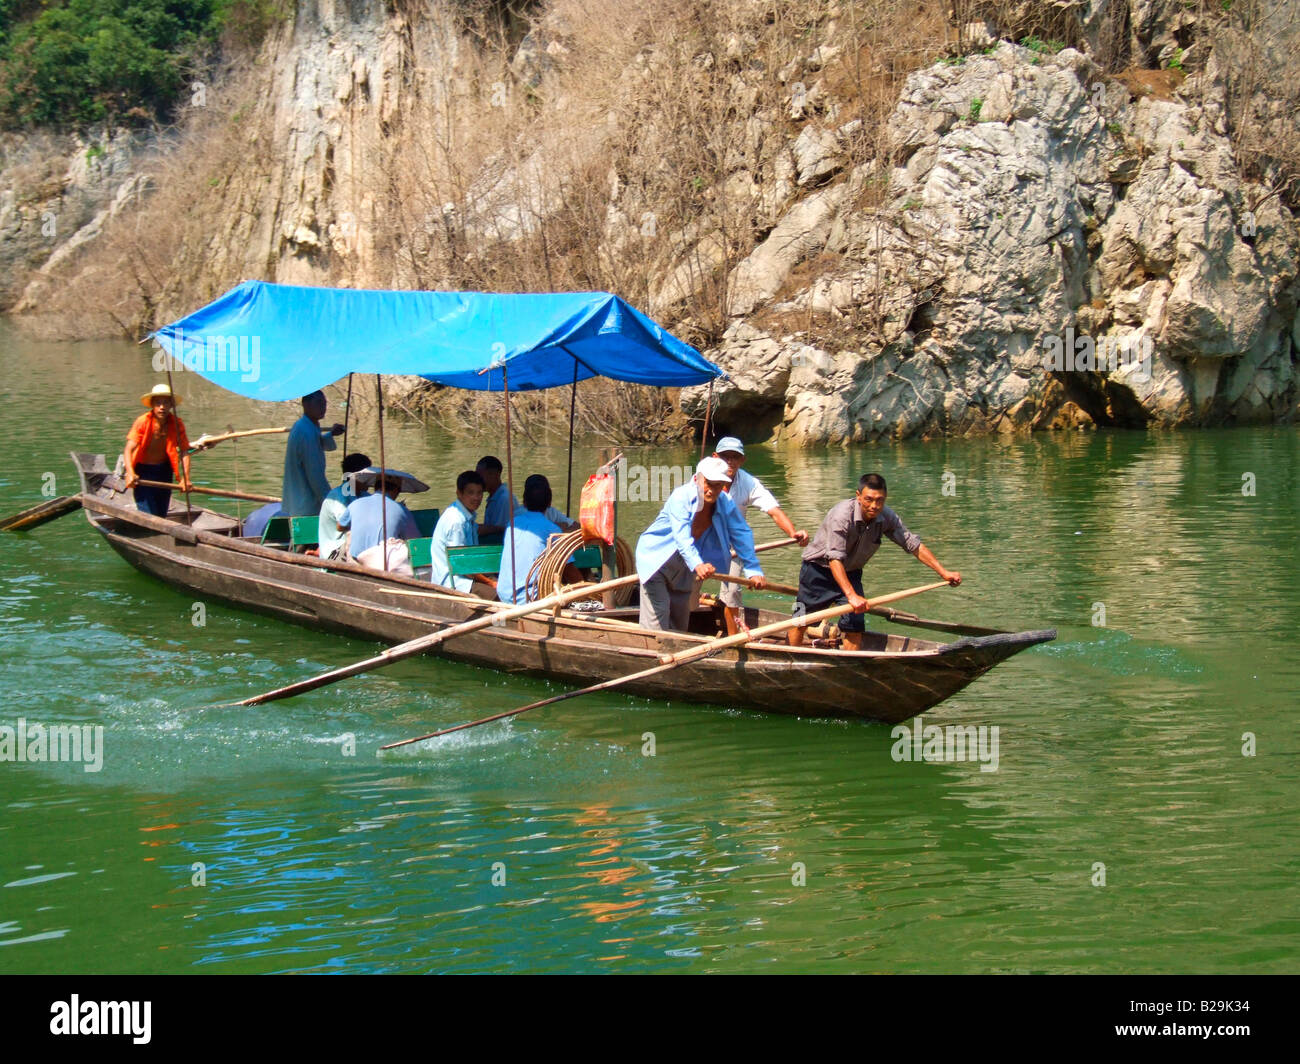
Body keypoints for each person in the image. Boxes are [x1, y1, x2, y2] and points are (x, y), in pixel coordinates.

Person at [789, 473, 961, 650]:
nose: (874, 506)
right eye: (869, 499)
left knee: (854, 625)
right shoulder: (841, 516)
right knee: (800, 619)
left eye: (880, 500)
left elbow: (912, 544)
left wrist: (943, 572)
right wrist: (851, 596)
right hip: (818, 571)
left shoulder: (886, 517)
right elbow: (834, 558)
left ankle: (848, 667)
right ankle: (790, 658)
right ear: (858, 496)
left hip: (852, 573)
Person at [635, 456, 765, 632]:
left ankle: (676, 654)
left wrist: (753, 570)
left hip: (685, 565)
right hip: (657, 559)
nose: (712, 490)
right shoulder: (681, 497)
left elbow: (741, 533)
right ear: (697, 479)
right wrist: (698, 564)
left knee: (680, 621)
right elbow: (681, 536)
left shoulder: (725, 502)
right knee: (658, 620)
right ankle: (652, 654)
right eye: (709, 483)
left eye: (718, 485)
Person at [711, 436, 808, 634]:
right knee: (687, 588)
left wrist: (792, 532)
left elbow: (773, 510)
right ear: (715, 457)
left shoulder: (748, 482)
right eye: (724, 457)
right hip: (700, 539)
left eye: (735, 457)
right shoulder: (704, 479)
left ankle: (733, 639)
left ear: (742, 461)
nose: (730, 461)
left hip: (731, 545)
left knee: (732, 591)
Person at [497, 475, 583, 605]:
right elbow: (570, 571)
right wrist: (588, 591)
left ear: (524, 502)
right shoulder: (552, 531)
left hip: (504, 594)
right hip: (529, 598)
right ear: (549, 503)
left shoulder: (512, 523)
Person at [123, 384, 192, 517]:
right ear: (152, 405)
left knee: (161, 514)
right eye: (158, 403)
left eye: (166, 403)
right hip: (142, 471)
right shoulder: (142, 422)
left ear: (171, 405)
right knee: (149, 515)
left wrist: (186, 479)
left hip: (164, 471)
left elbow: (184, 452)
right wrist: (130, 473)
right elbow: (128, 450)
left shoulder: (177, 424)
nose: (162, 407)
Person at [337, 470, 420, 574]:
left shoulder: (356, 503)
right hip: (381, 563)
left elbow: (339, 526)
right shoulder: (401, 510)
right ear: (396, 490)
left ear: (375, 487)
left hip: (355, 561)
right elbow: (415, 540)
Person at [477, 455, 576, 537]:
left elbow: (500, 530)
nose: (478, 480)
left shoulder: (509, 508)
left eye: (480, 476)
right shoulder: (519, 518)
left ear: (524, 501)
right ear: (549, 502)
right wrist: (560, 527)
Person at [281, 391, 345, 517]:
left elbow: (317, 444)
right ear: (305, 405)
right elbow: (315, 474)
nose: (323, 407)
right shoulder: (306, 431)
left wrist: (331, 434)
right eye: (319, 403)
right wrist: (330, 503)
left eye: (325, 403)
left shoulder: (305, 425)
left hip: (298, 500)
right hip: (306, 504)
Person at [430, 470, 491, 593]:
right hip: (454, 584)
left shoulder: (467, 517)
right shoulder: (456, 521)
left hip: (467, 578)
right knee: (498, 594)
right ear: (459, 494)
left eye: (479, 493)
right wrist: (490, 582)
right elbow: (462, 566)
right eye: (471, 493)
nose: (476, 498)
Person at [318, 453, 373, 561]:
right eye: (367, 475)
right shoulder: (338, 496)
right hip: (335, 553)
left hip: (355, 546)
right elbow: (347, 524)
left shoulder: (364, 495)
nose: (371, 479)